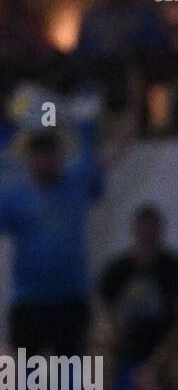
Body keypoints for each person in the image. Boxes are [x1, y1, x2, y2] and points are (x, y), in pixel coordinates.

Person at [0, 127, 104, 358]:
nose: (44, 161)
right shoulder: (14, 196)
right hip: (29, 301)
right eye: (39, 155)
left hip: (71, 300)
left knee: (71, 376)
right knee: (25, 380)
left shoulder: (77, 182)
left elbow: (109, 157)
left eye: (49, 154)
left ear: (59, 156)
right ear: (30, 159)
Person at [97, 204, 178, 368]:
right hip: (124, 342)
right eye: (144, 231)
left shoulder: (177, 269)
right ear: (135, 231)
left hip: (165, 345)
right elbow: (104, 314)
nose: (147, 236)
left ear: (160, 232)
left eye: (152, 232)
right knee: (99, 360)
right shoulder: (116, 270)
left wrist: (153, 365)